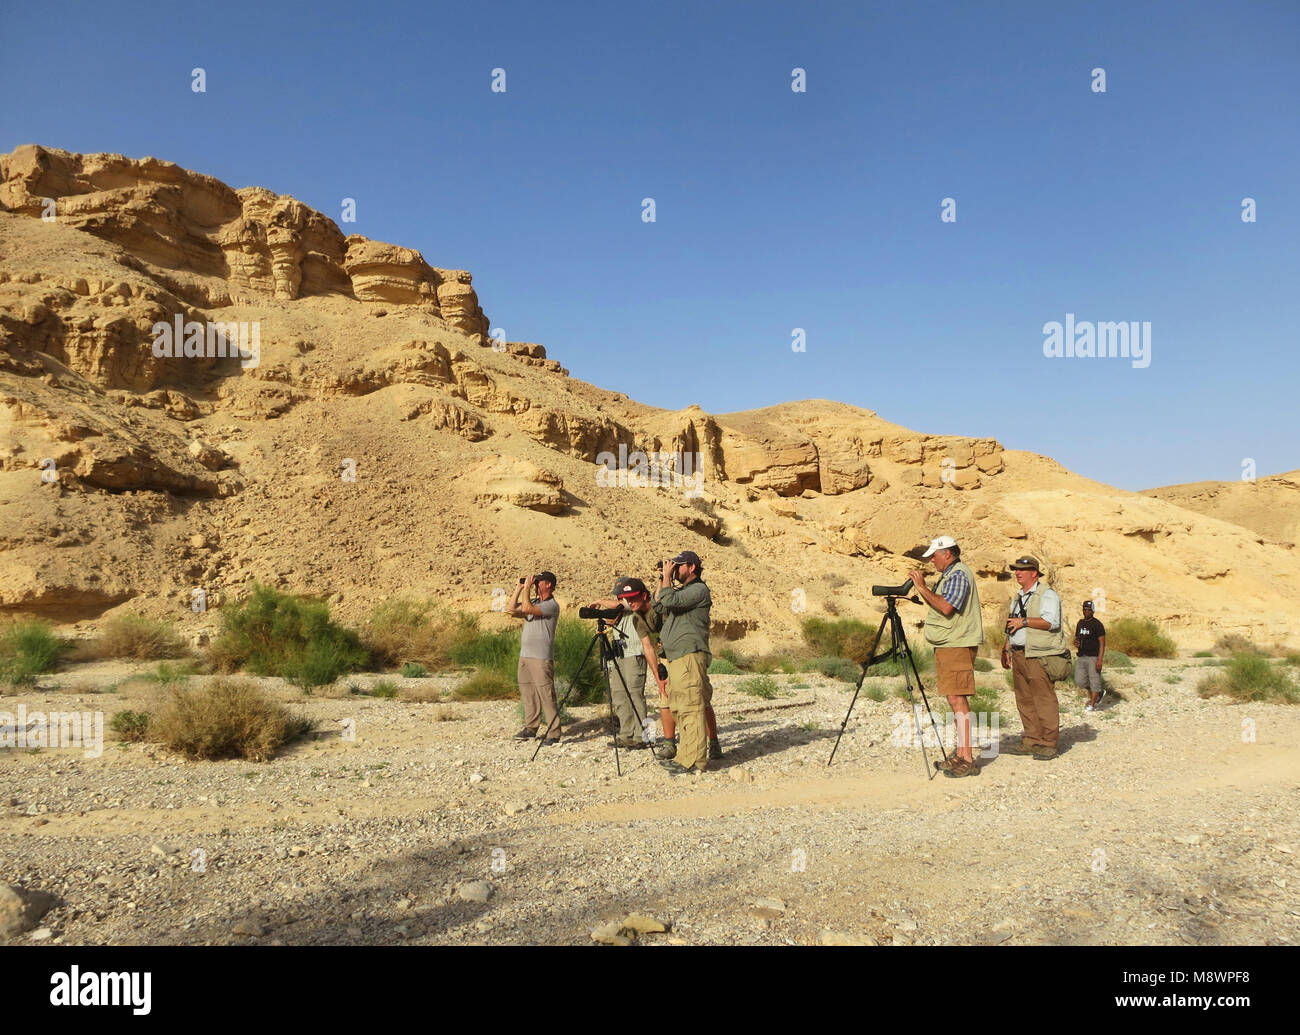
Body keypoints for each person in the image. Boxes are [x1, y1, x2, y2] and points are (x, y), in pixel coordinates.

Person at [908, 535, 984, 778]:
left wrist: (921, 588)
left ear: (947, 554)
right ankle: (962, 754)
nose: (932, 560)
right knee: (954, 699)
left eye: (934, 555)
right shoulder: (951, 574)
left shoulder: (959, 574)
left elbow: (946, 607)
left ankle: (967, 758)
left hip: (958, 644)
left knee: (958, 699)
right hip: (951, 643)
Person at [586, 577, 667, 748]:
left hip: (634, 654)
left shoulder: (632, 605)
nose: (620, 598)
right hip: (618, 655)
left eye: (622, 595)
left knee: (635, 695)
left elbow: (622, 606)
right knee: (619, 695)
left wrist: (601, 601)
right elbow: (613, 618)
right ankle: (626, 733)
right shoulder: (620, 609)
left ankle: (644, 736)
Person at [654, 550, 714, 775]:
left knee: (690, 707)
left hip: (689, 655)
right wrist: (663, 578)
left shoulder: (699, 589)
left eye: (678, 566)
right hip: (678, 656)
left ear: (691, 567)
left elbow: (669, 600)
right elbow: (659, 605)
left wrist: (668, 579)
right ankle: (684, 756)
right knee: (680, 708)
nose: (675, 570)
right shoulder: (683, 591)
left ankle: (695, 760)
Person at [1000, 556, 1067, 760]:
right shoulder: (1019, 595)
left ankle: (1048, 743)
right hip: (1020, 652)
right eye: (1016, 569)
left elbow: (1051, 622)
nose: (1017, 573)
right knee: (1024, 699)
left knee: (1043, 698)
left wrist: (1025, 622)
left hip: (1039, 654)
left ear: (1034, 573)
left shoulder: (1046, 594)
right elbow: (1013, 624)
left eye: (1022, 569)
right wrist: (1006, 646)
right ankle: (1031, 739)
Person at [508, 571, 561, 745]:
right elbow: (510, 609)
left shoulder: (551, 605)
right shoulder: (534, 601)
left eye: (539, 582)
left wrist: (527, 589)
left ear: (549, 585)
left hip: (540, 657)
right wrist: (519, 587)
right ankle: (531, 727)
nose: (536, 584)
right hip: (526, 655)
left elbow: (527, 609)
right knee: (528, 693)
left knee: (546, 694)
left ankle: (554, 732)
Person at [1074, 600, 1107, 711]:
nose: (1086, 611)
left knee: (1094, 679)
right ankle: (1098, 692)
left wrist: (1100, 660)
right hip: (1081, 656)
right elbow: (1077, 638)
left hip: (1094, 657)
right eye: (1084, 609)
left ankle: (1092, 704)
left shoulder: (1097, 624)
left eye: (1088, 609)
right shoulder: (1080, 623)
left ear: (1093, 610)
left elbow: (1102, 644)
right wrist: (1076, 643)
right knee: (1080, 681)